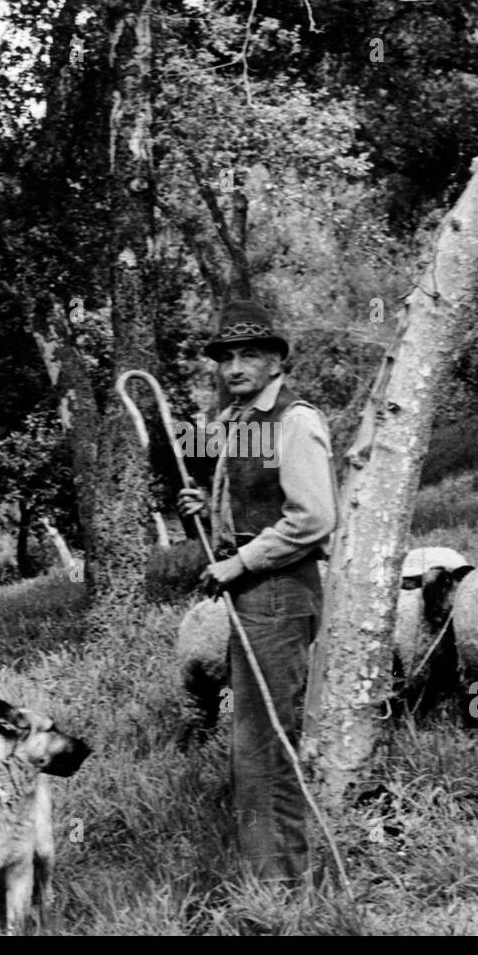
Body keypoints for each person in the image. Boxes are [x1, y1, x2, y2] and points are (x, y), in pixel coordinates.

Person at [177, 299, 338, 888]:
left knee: (268, 748)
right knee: (250, 744)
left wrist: (238, 562)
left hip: (280, 592)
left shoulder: (295, 421)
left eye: (249, 355)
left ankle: (287, 890)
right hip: (252, 591)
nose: (235, 367)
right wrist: (207, 512)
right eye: (226, 357)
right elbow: (249, 501)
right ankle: (267, 883)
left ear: (276, 362)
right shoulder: (241, 422)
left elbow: (315, 518)